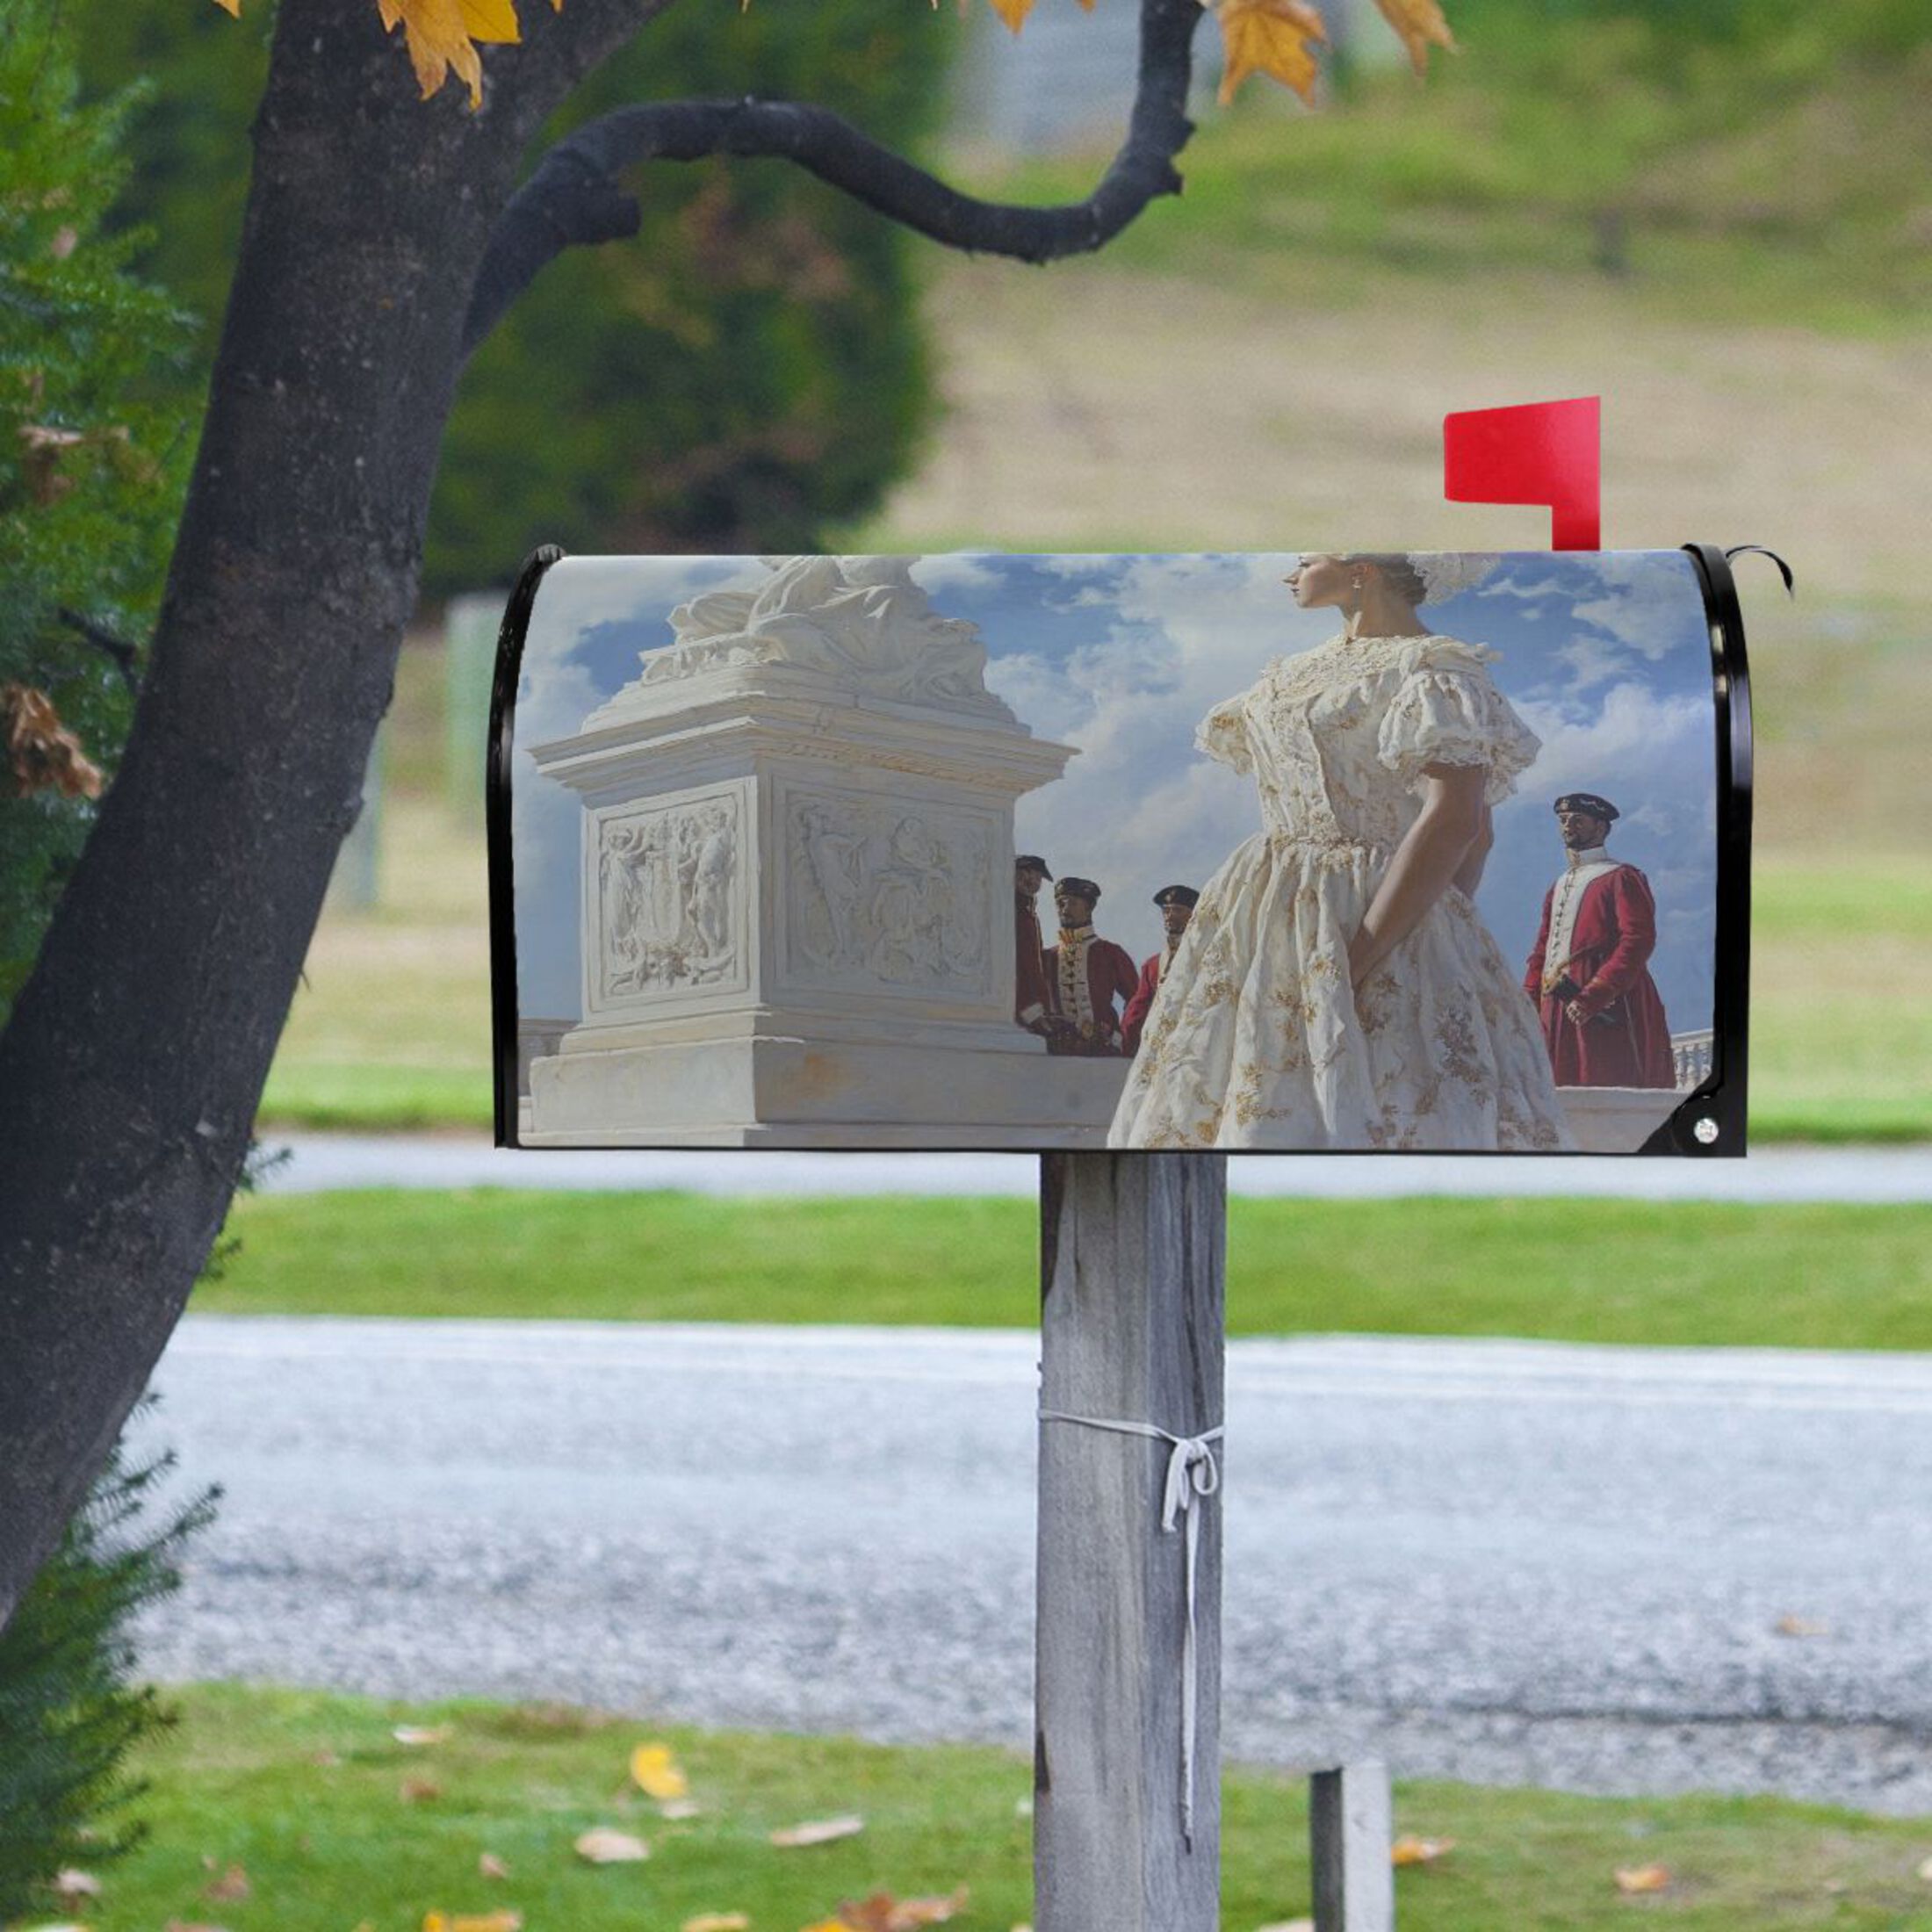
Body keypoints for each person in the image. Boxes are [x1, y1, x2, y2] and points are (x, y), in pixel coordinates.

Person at [1110, 551, 1573, 1150]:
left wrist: (1383, 949)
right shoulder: (1286, 676)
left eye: (1306, 560)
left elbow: (1462, 824)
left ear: (1363, 568)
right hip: (1266, 914)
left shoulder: (1434, 671)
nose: (1290, 574)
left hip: (1382, 913)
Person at [1524, 793, 1676, 1088]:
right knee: (1558, 1086)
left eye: (1578, 820)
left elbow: (1637, 940)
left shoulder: (1622, 876)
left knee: (1606, 1080)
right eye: (1563, 821)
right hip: (1555, 1001)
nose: (1568, 827)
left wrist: (1597, 993)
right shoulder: (1558, 885)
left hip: (1608, 1000)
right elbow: (1542, 947)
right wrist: (1529, 994)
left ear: (1602, 827)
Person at [1044, 876, 1140, 1057]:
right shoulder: (1047, 957)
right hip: (1058, 1052)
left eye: (1073, 903)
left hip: (1105, 1050)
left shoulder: (1110, 953)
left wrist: (1123, 1039)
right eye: (1060, 903)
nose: (1065, 909)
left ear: (1089, 909)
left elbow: (1137, 1001)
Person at [1121, 884, 1199, 1056]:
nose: (1169, 916)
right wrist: (1128, 1041)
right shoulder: (1152, 965)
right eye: (1166, 911)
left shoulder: (1205, 958)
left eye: (1177, 910)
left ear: (1193, 915)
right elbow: (1137, 1009)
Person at [1013, 854, 1056, 1036]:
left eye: (1039, 878)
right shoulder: (1015, 912)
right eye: (1028, 874)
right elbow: (1024, 965)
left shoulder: (1028, 912)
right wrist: (1032, 1013)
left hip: (1033, 1005)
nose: (1035, 883)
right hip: (1021, 1006)